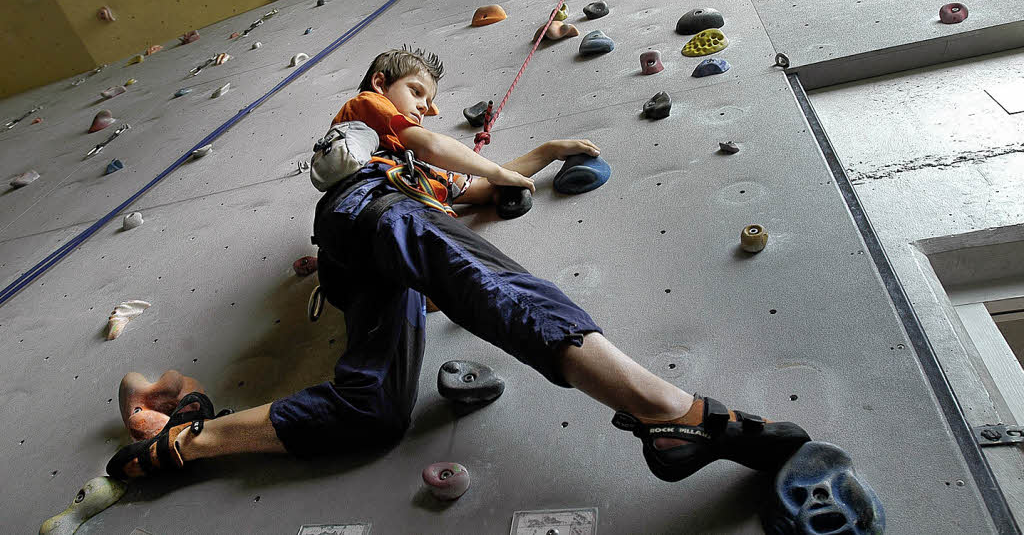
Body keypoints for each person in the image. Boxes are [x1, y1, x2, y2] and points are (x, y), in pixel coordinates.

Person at [107, 47, 809, 483]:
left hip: (380, 257)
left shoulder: (418, 172)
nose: (428, 104)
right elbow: (438, 147)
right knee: (487, 279)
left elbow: (479, 185)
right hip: (368, 213)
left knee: (374, 411)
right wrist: (483, 163)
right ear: (386, 83)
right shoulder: (368, 113)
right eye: (419, 91)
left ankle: (189, 443)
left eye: (431, 100)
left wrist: (550, 152)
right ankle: (665, 412)